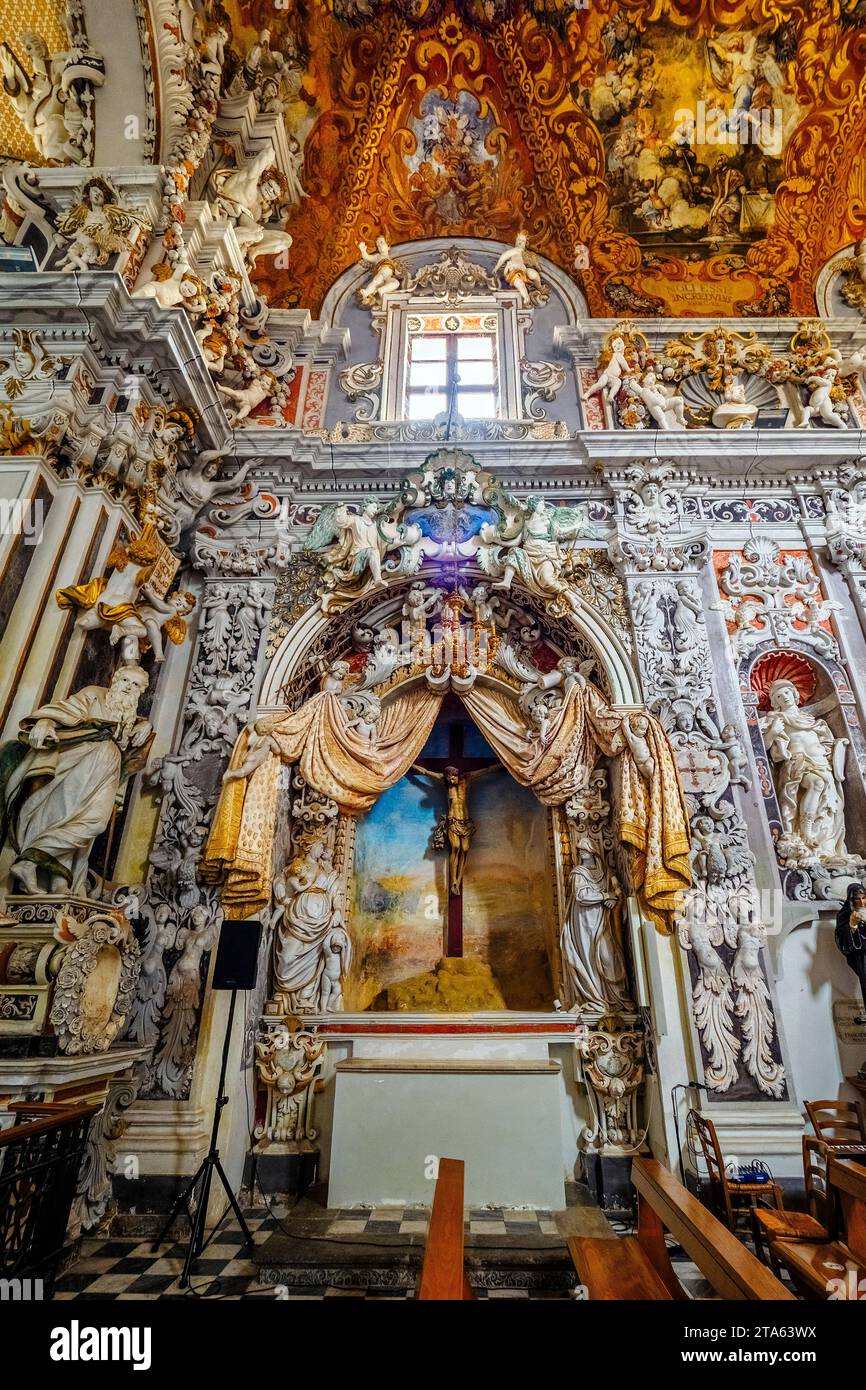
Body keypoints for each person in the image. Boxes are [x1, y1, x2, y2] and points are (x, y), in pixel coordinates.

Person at [836, 883, 866, 1025]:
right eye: (857, 899)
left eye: (864, 898)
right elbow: (842, 940)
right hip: (863, 958)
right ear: (850, 899)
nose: (861, 902)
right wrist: (852, 926)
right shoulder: (845, 915)